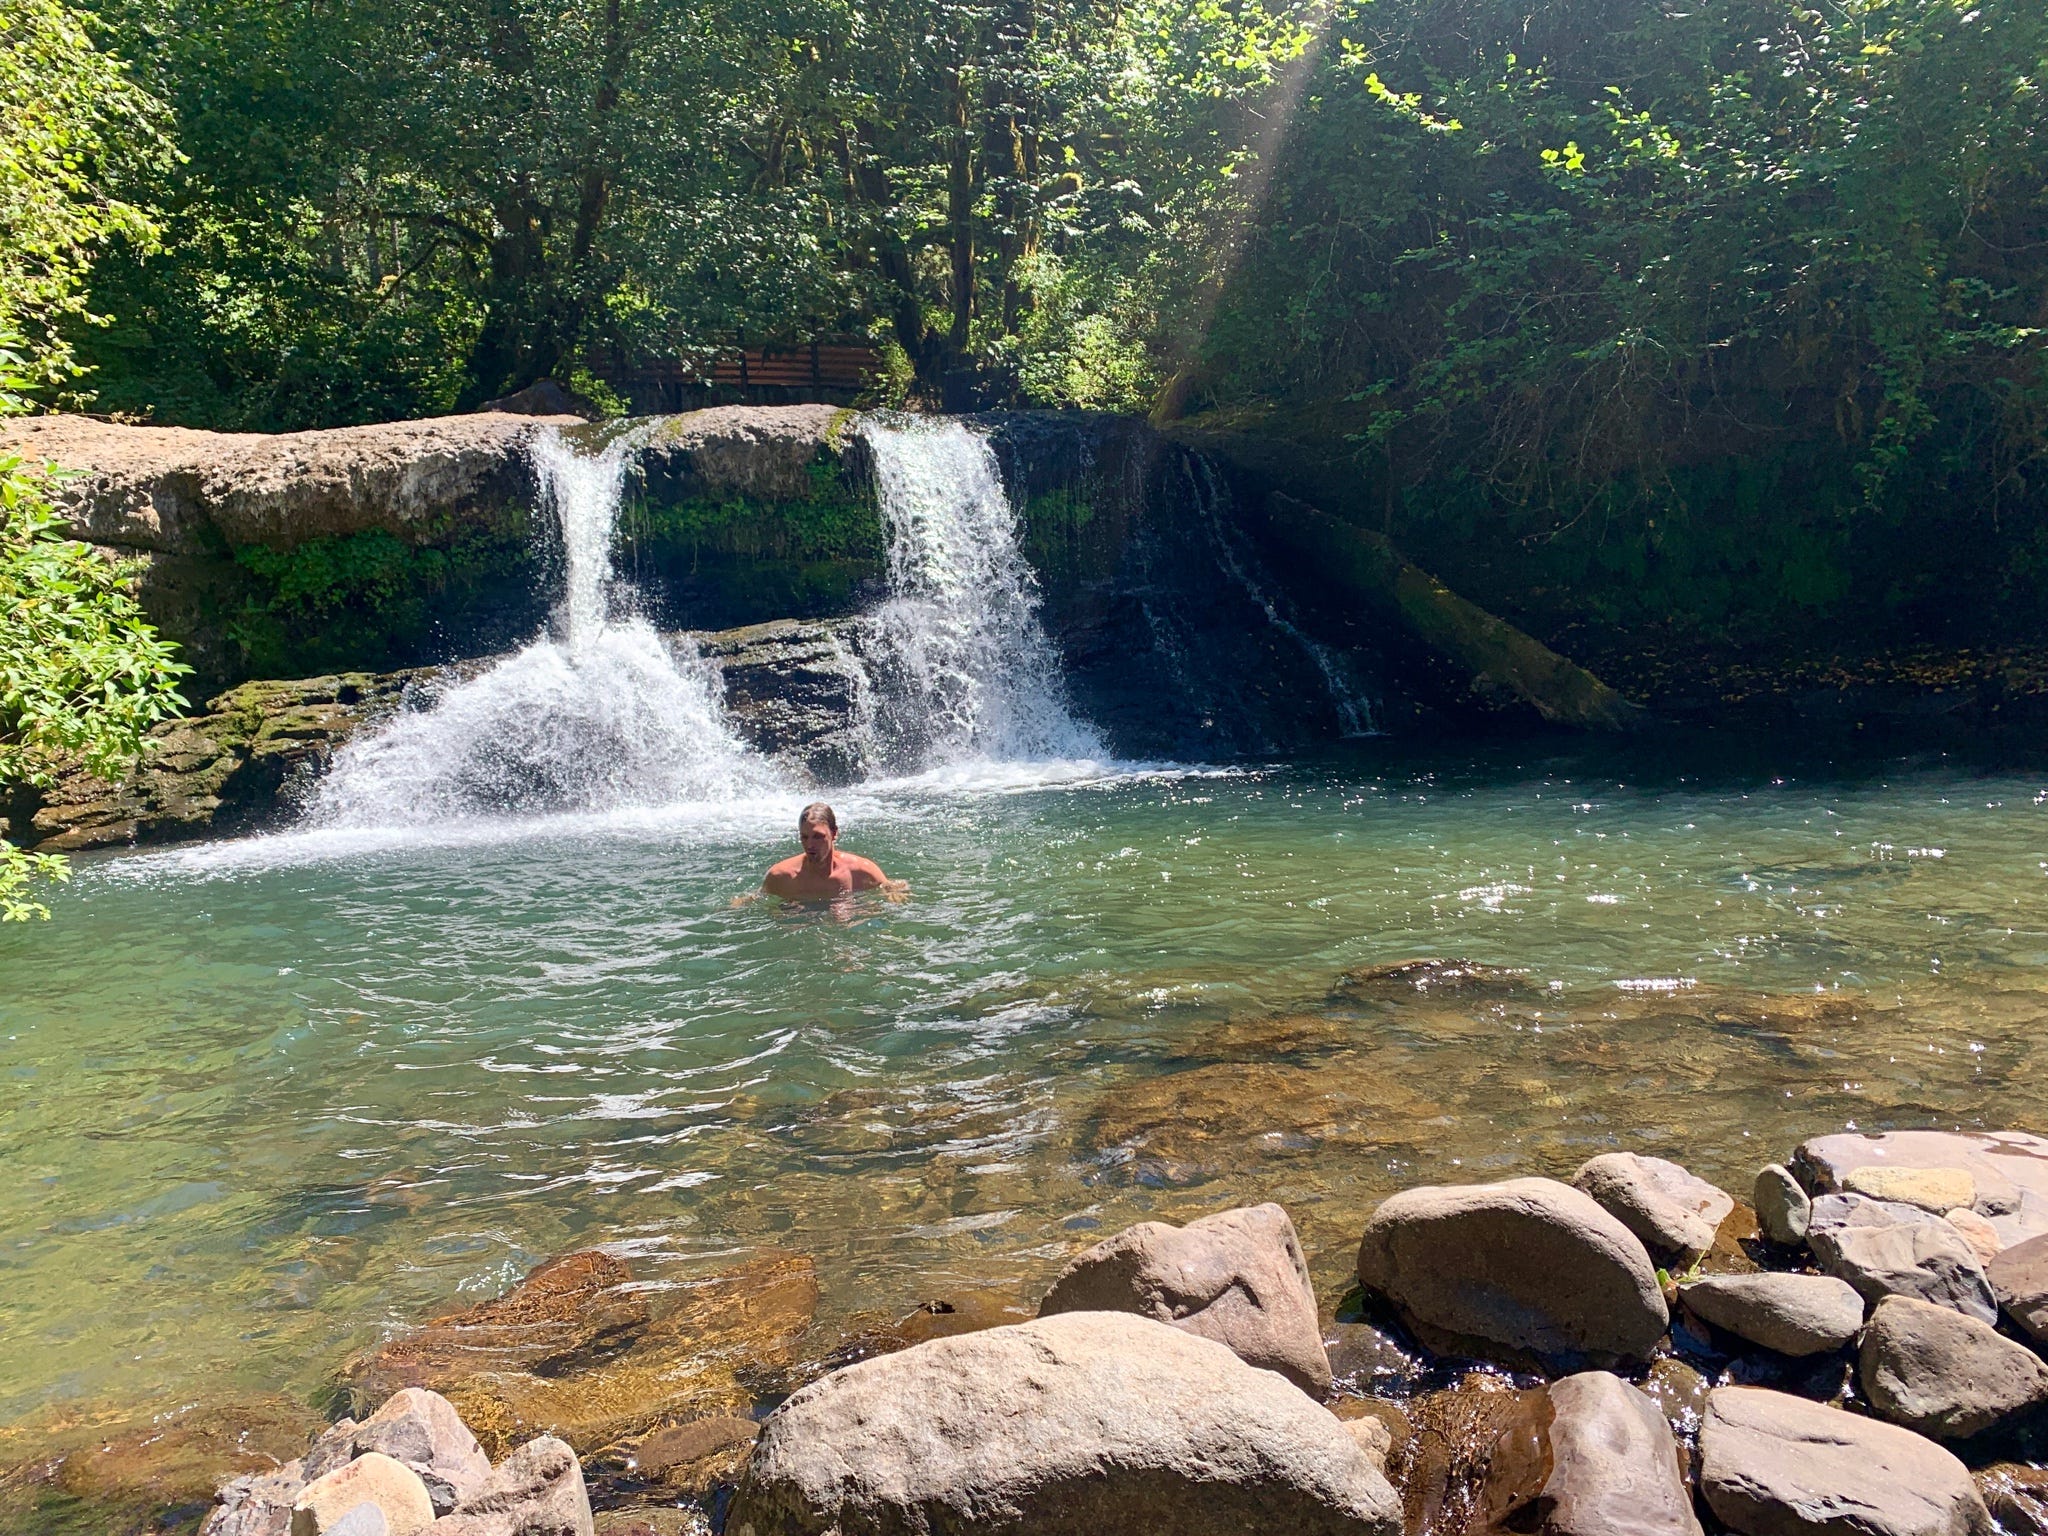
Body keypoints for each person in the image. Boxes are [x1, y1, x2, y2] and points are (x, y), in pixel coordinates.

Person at [759, 802, 908, 902]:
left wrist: (896, 894)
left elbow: (893, 888)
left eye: (818, 837)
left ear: (834, 833)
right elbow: (757, 899)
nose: (810, 844)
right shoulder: (782, 876)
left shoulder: (861, 871)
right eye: (804, 837)